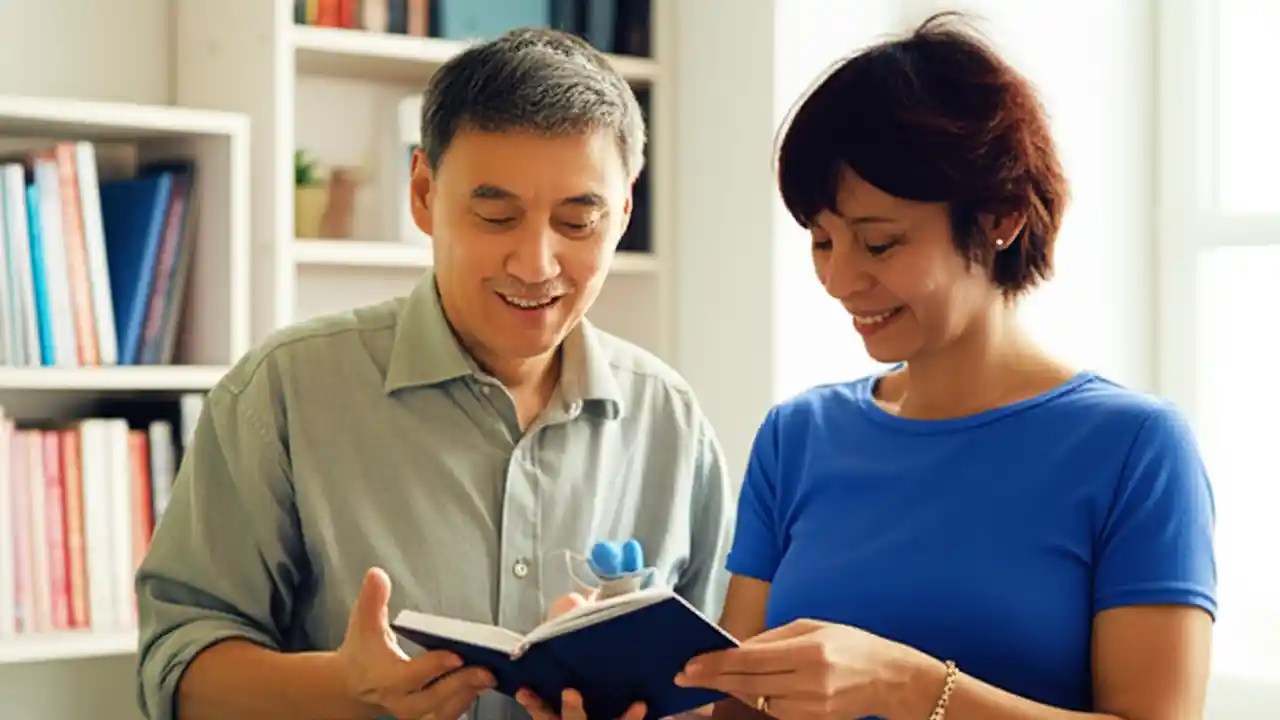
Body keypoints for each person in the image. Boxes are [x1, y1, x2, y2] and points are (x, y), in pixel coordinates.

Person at [134, 28, 734, 720]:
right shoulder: (284, 391)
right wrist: (344, 687)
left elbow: (713, 685)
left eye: (577, 222)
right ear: (422, 193)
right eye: (496, 214)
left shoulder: (669, 420)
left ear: (624, 211)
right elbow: (175, 668)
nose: (536, 263)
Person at [673, 13, 1216, 720]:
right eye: (821, 241)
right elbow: (737, 707)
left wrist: (909, 685)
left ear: (1001, 218)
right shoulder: (797, 436)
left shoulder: (1134, 448)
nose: (839, 279)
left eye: (879, 243)